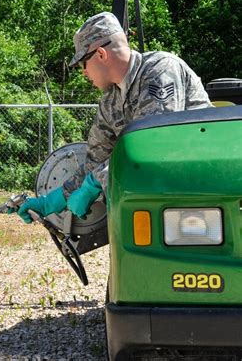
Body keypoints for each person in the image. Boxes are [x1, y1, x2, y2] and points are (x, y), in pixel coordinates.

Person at [16, 11, 213, 224]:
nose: (83, 73)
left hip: (203, 189)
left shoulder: (160, 70)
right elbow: (95, 162)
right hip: (162, 194)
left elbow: (154, 147)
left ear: (100, 54)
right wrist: (51, 201)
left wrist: (94, 183)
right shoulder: (111, 101)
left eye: (83, 64)